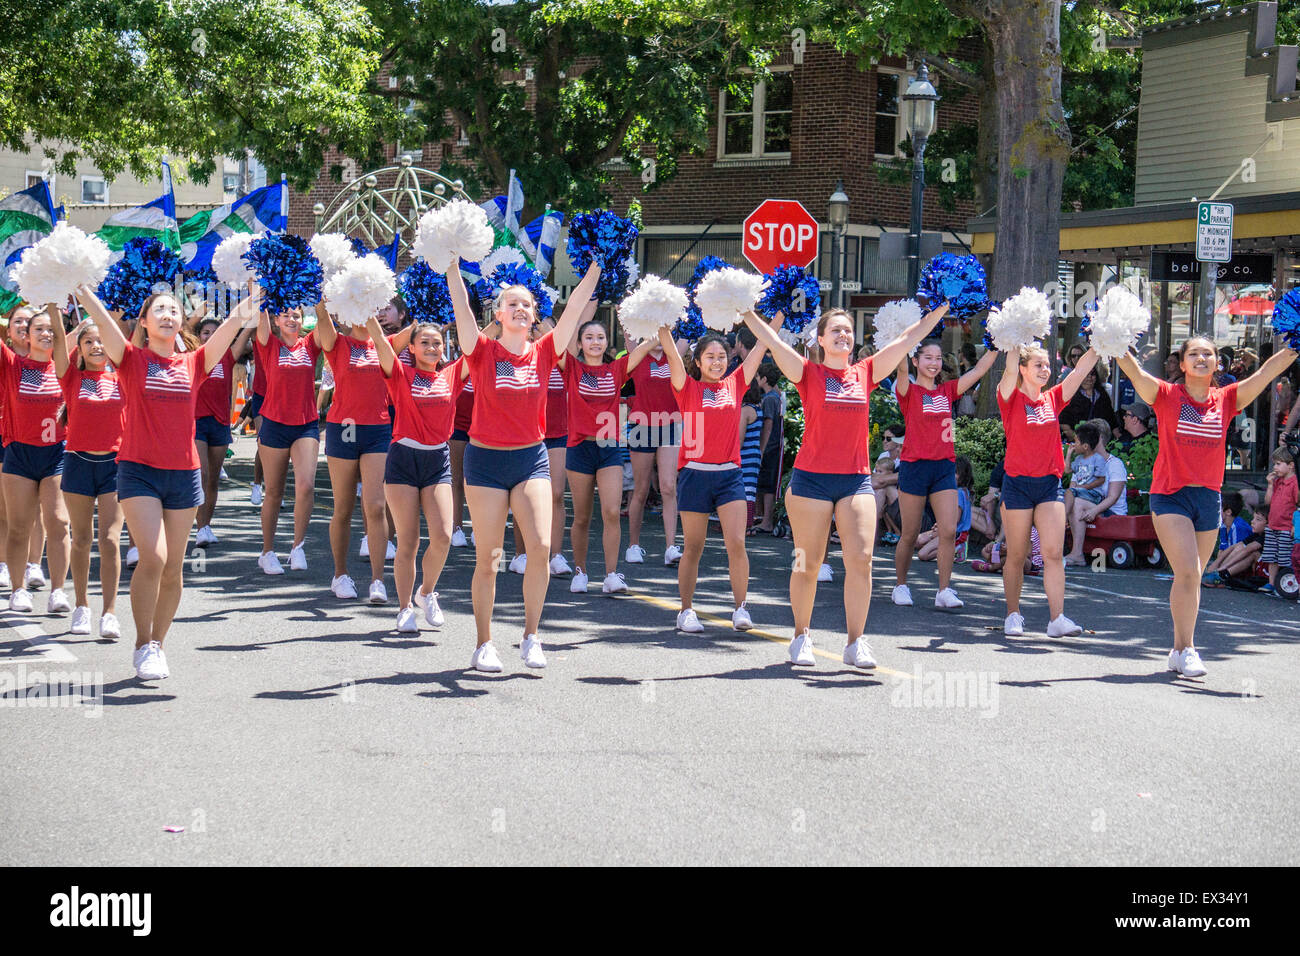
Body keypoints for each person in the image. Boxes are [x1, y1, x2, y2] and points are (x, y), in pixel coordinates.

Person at [742, 302, 950, 667]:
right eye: (835, 330)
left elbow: (905, 340)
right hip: (811, 481)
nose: (843, 335)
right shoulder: (808, 373)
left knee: (862, 560)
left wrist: (936, 313)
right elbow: (772, 340)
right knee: (807, 562)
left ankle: (856, 642)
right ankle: (801, 636)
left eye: (848, 330)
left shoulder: (865, 372)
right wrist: (744, 311)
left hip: (855, 481)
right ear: (821, 339)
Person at [78, 283, 258, 680]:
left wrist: (248, 304)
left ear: (181, 322)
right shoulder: (130, 358)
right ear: (144, 321)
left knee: (173, 568)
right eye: (158, 309)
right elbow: (105, 324)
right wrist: (85, 292)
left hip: (183, 473)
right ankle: (141, 642)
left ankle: (157, 644)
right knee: (153, 557)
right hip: (138, 470)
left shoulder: (194, 363)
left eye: (174, 310)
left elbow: (229, 328)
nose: (167, 315)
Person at [446, 255, 600, 673]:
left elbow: (572, 312)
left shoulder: (546, 350)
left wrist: (595, 270)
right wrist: (452, 267)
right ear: (497, 314)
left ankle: (531, 635)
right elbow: (461, 306)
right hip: (485, 461)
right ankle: (484, 643)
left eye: (527, 304)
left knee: (542, 547)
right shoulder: (481, 351)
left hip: (530, 458)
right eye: (511, 303)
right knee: (490, 557)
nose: (520, 308)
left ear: (534, 316)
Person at [1117, 335, 1296, 677]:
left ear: (1217, 363)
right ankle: (1188, 650)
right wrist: (1112, 341)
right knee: (1186, 571)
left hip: (1208, 497)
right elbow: (1135, 372)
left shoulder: (1226, 399)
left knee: (1193, 576)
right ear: (1182, 364)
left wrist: (1295, 345)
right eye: (1194, 354)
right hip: (1170, 495)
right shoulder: (1168, 395)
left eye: (1208, 354)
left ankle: (1176, 648)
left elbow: (1267, 372)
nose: (1202, 358)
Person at [658, 319, 772, 634]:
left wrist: (772, 313)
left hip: (730, 475)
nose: (717, 362)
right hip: (694, 475)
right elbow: (670, 351)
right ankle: (686, 610)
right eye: (709, 356)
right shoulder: (687, 386)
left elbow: (762, 345)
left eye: (721, 356)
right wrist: (662, 319)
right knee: (693, 546)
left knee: (736, 542)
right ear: (697, 361)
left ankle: (740, 608)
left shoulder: (736, 383)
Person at [996, 343, 1101, 638]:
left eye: (1047, 365)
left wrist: (1102, 340)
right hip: (1017, 484)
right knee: (1017, 553)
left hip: (1049, 485)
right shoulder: (1010, 397)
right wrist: (1014, 337)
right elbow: (1007, 368)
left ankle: (1057, 619)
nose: (1045, 370)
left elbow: (1081, 370)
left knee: (1054, 553)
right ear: (1024, 369)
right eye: (1039, 365)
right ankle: (1013, 614)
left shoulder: (1053, 398)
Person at [368, 312, 461, 632]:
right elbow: (379, 342)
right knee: (408, 540)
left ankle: (427, 592)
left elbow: (481, 344)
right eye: (425, 343)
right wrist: (363, 306)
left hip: (438, 461)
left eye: (437, 343)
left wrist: (501, 316)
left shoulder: (451, 375)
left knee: (443, 536)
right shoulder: (399, 373)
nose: (433, 348)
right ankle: (404, 607)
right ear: (412, 347)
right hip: (403, 460)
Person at [891, 338, 998, 609]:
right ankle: (900, 585)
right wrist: (903, 338)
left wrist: (996, 345)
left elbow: (977, 372)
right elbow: (901, 369)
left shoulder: (948, 390)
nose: (934, 363)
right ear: (916, 361)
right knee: (910, 533)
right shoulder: (908, 391)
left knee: (949, 530)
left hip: (943, 468)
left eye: (938, 358)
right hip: (915, 467)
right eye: (927, 357)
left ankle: (944, 590)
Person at [558, 311, 653, 595]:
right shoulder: (571, 367)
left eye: (600, 337)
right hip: (578, 448)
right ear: (580, 342)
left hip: (609, 446)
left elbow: (646, 346)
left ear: (607, 342)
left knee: (611, 511)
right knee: (582, 517)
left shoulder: (617, 370)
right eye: (589, 337)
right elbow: (554, 338)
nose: (595, 342)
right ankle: (581, 571)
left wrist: (661, 319)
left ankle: (611, 574)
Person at [315, 298, 394, 604]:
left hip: (378, 429)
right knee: (343, 507)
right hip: (344, 427)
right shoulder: (337, 342)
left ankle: (378, 580)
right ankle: (340, 574)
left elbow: (421, 328)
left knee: (375, 505)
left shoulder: (384, 343)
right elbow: (321, 312)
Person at [53, 313, 125, 637]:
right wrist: (57, 305)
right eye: (89, 342)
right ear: (79, 349)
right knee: (81, 539)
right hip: (78, 464)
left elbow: (127, 340)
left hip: (115, 466)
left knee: (109, 540)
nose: (97, 346)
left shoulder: (123, 376)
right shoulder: (71, 378)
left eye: (100, 341)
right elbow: (57, 341)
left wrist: (109, 317)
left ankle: (109, 612)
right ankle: (81, 605)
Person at [1, 305, 71, 615]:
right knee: (19, 526)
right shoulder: (14, 365)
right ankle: (18, 589)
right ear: (26, 336)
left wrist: (56, 303)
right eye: (38, 329)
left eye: (51, 330)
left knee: (58, 522)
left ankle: (57, 589)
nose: (46, 334)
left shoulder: (66, 368)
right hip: (19, 455)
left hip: (56, 454)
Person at [252, 305, 321, 574]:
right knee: (274, 492)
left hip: (306, 425)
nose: (292, 320)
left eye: (297, 316)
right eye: (286, 316)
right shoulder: (269, 344)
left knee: (305, 486)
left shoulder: (310, 344)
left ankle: (297, 547)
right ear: (276, 320)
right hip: (274, 423)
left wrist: (323, 298)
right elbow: (260, 313)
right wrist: (258, 287)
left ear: (303, 321)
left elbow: (326, 326)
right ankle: (267, 551)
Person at [2, 305, 51, 593]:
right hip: (10, 438)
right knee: (8, 510)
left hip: (43, 445)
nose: (23, 326)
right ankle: (6, 563)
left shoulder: (51, 360)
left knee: (43, 511)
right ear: (9, 332)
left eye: (28, 322)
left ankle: (34, 563)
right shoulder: (8, 361)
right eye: (17, 322)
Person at [192, 317, 252, 549]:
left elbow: (246, 332)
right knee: (202, 475)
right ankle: (196, 525)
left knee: (214, 480)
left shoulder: (228, 357)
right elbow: (185, 325)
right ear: (198, 336)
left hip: (219, 424)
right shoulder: (193, 357)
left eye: (215, 333)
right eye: (205, 332)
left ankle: (205, 526)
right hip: (196, 423)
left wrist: (253, 309)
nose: (210, 336)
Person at [625, 334, 685, 565]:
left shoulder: (673, 354)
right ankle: (633, 545)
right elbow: (626, 324)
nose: (659, 337)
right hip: (642, 425)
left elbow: (688, 329)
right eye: (655, 332)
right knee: (640, 490)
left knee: (669, 486)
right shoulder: (638, 355)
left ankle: (671, 546)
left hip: (670, 425)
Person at [1063, 422, 1128, 566]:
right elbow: (1073, 487)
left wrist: (1094, 510)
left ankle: (1077, 553)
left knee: (1078, 502)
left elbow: (1113, 497)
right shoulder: (1083, 462)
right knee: (1066, 499)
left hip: (1110, 511)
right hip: (1089, 503)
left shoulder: (1114, 464)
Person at [752, 363, 785, 534]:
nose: (756, 380)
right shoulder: (772, 396)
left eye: (758, 377)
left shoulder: (770, 399)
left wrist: (762, 448)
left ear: (764, 379)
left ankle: (767, 521)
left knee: (768, 486)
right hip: (769, 446)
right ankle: (760, 516)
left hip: (771, 447)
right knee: (762, 483)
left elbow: (769, 423)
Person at [1261, 446, 1297, 596]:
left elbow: (1297, 505)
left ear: (1290, 465)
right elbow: (1268, 502)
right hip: (1273, 525)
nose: (1275, 467)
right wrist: (1270, 485)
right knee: (1271, 557)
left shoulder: (1295, 483)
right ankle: (1272, 583)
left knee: (1286, 558)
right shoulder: (1277, 482)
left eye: (1278, 463)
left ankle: (1289, 584)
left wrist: (1295, 525)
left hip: (1286, 526)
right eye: (1274, 464)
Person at [1202, 510, 1266, 584]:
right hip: (1253, 568)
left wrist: (1223, 567)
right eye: (1253, 518)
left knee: (1251, 553)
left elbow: (1246, 550)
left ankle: (1223, 575)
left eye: (1258, 519)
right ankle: (1217, 573)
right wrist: (1215, 565)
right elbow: (1232, 547)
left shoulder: (1265, 535)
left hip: (1264, 574)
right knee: (1240, 546)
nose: (1252, 521)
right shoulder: (1256, 534)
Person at [1059, 361, 1117, 433]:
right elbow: (1063, 419)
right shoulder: (1071, 395)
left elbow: (1111, 418)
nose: (1089, 378)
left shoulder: (1102, 394)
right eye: (1086, 374)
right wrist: (1073, 437)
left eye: (1092, 374)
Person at [873, 425, 903, 545]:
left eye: (889, 439)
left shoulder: (903, 458)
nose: (884, 441)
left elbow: (877, 480)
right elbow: (875, 478)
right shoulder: (883, 456)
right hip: (884, 495)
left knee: (883, 488)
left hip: (898, 497)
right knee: (879, 490)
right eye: (883, 437)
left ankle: (873, 535)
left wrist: (880, 479)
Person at [740, 380, 764, 530]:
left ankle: (744, 523)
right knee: (750, 489)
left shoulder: (745, 410)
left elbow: (739, 439)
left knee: (742, 489)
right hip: (754, 453)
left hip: (744, 454)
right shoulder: (758, 408)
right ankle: (747, 523)